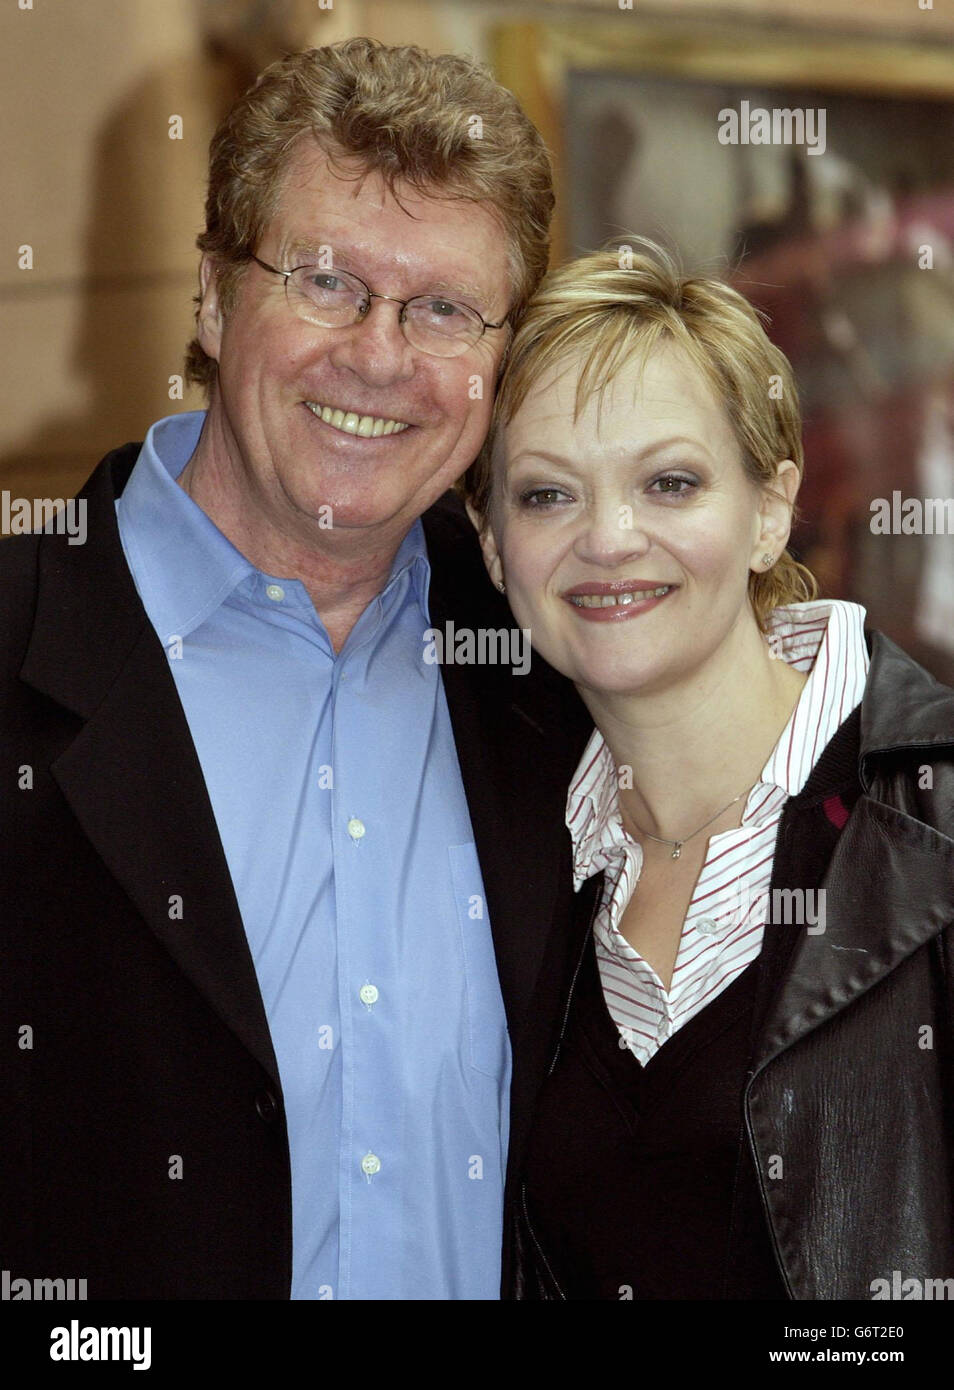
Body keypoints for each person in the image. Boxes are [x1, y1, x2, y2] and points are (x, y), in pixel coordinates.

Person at [0, 39, 594, 1300]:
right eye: (326, 282)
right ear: (214, 296)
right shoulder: (20, 648)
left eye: (442, 309)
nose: (379, 356)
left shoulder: (564, 674)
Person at [464, 240, 954, 1300]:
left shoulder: (936, 825)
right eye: (547, 495)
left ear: (769, 510)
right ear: (493, 545)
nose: (609, 537)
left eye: (670, 481)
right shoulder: (515, 855)